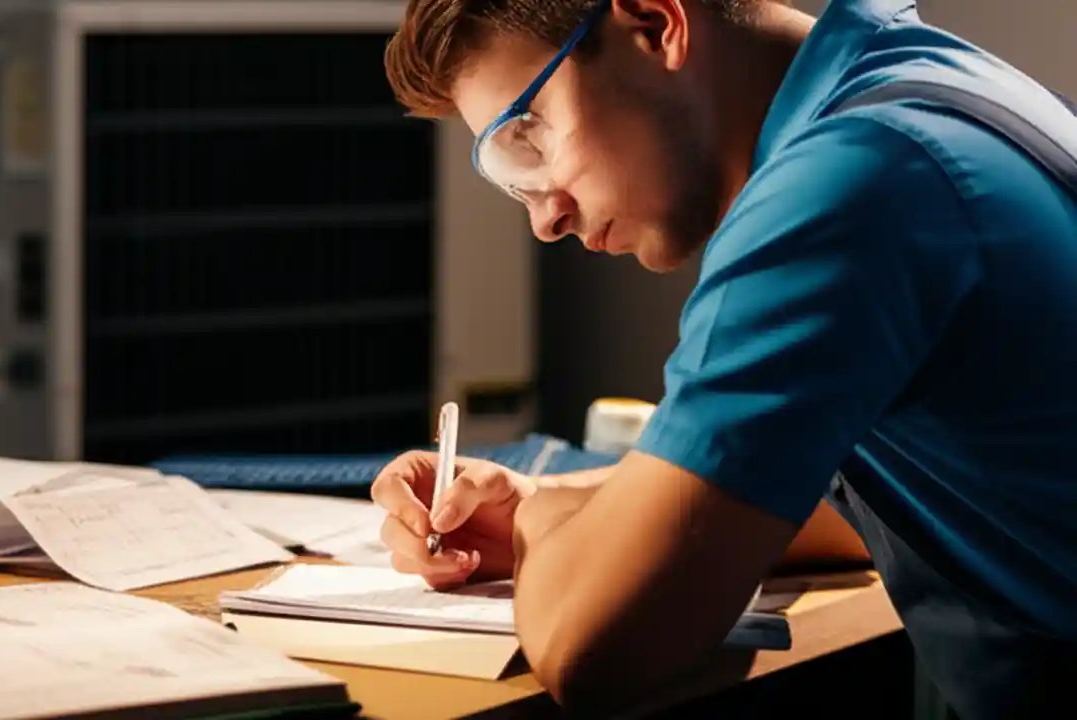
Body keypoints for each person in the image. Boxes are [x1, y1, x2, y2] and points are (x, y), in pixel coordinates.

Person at [369, 0, 1077, 716]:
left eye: (528, 137)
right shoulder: (941, 92)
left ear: (654, 23)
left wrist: (544, 524)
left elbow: (592, 649)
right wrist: (572, 512)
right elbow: (866, 503)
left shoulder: (845, 188)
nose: (545, 219)